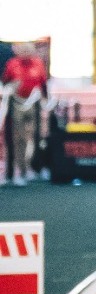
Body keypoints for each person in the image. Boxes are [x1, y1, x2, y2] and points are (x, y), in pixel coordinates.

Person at [2, 43, 48, 186]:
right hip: (16, 105)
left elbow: (43, 84)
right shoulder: (12, 64)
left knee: (36, 137)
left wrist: (45, 100)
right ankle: (18, 171)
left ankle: (35, 168)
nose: (25, 53)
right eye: (22, 51)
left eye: (28, 51)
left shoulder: (38, 63)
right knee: (18, 138)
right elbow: (5, 82)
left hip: (34, 104)